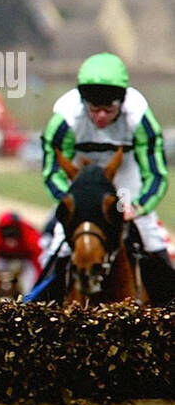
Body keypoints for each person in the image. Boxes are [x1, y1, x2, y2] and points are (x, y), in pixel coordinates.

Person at [32, 52, 175, 303]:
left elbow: (155, 174)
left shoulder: (140, 118)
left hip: (124, 185)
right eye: (93, 109)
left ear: (121, 102)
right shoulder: (64, 119)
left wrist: (139, 206)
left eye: (108, 109)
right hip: (81, 186)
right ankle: (37, 308)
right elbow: (52, 171)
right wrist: (70, 202)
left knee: (150, 235)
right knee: (60, 246)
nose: (100, 117)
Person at [0, 212, 42, 298]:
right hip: (3, 261)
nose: (10, 232)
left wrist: (36, 287)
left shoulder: (30, 235)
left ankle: (29, 299)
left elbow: (40, 261)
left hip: (25, 261)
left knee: (29, 287)